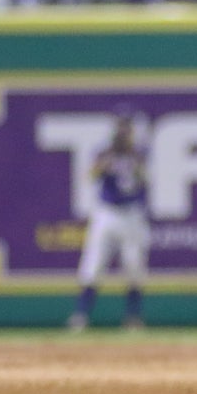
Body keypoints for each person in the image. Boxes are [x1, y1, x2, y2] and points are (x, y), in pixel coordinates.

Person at [67, 114, 150, 331]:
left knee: (134, 266)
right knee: (93, 265)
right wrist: (106, 162)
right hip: (106, 213)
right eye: (121, 129)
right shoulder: (104, 152)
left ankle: (133, 318)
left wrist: (132, 161)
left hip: (132, 213)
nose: (124, 133)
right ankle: (81, 315)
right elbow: (90, 176)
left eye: (127, 129)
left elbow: (145, 179)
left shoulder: (139, 153)